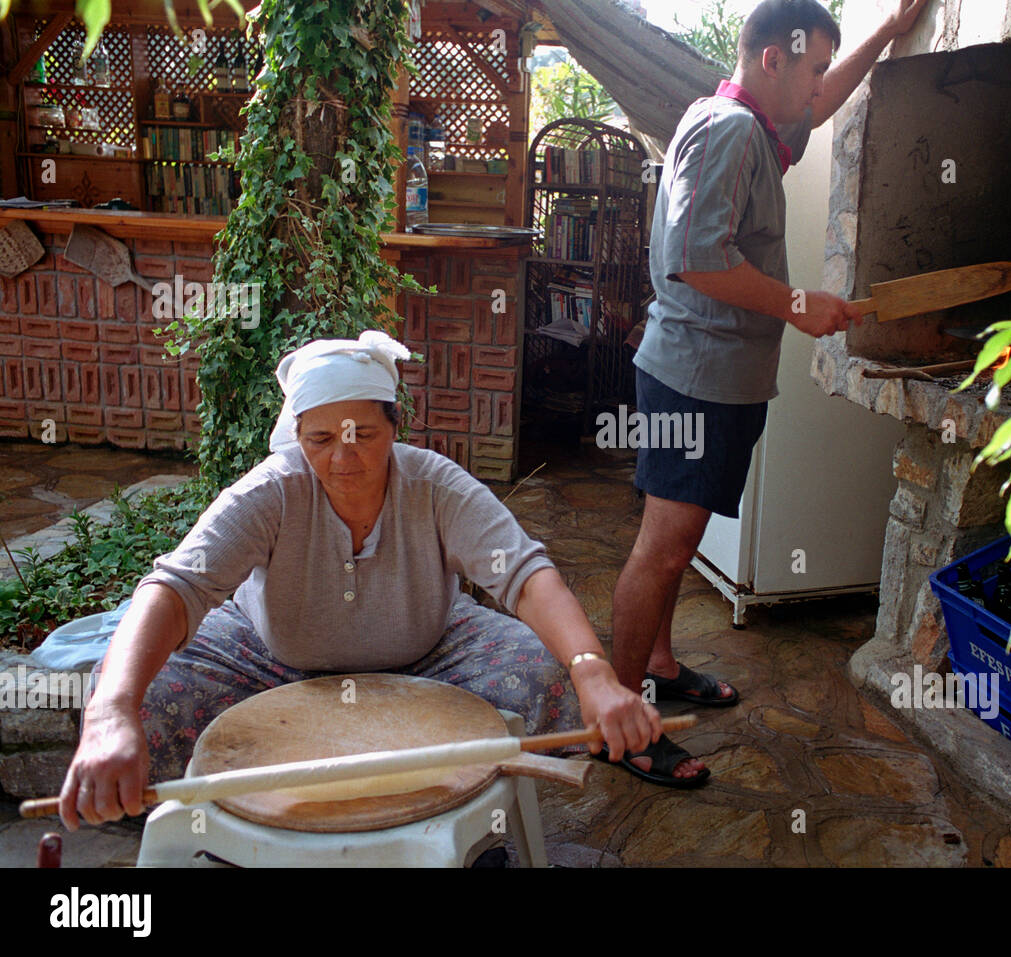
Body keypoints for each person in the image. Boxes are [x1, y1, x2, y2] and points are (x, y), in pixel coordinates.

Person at [60, 330, 661, 829]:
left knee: (547, 672)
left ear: (395, 428)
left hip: (430, 651)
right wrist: (111, 710)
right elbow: (175, 587)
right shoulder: (272, 492)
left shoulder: (435, 487)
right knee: (155, 702)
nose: (344, 458)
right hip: (266, 654)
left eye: (363, 436)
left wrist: (594, 672)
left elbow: (526, 578)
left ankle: (477, 830)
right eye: (321, 439)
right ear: (297, 438)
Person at [607, 0, 930, 787]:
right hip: (694, 379)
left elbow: (816, 111)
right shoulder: (727, 131)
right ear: (771, 58)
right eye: (814, 66)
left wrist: (885, 36)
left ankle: (657, 662)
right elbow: (693, 256)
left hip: (718, 377)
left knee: (677, 540)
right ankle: (616, 714)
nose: (820, 83)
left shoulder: (750, 124)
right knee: (664, 544)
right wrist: (797, 304)